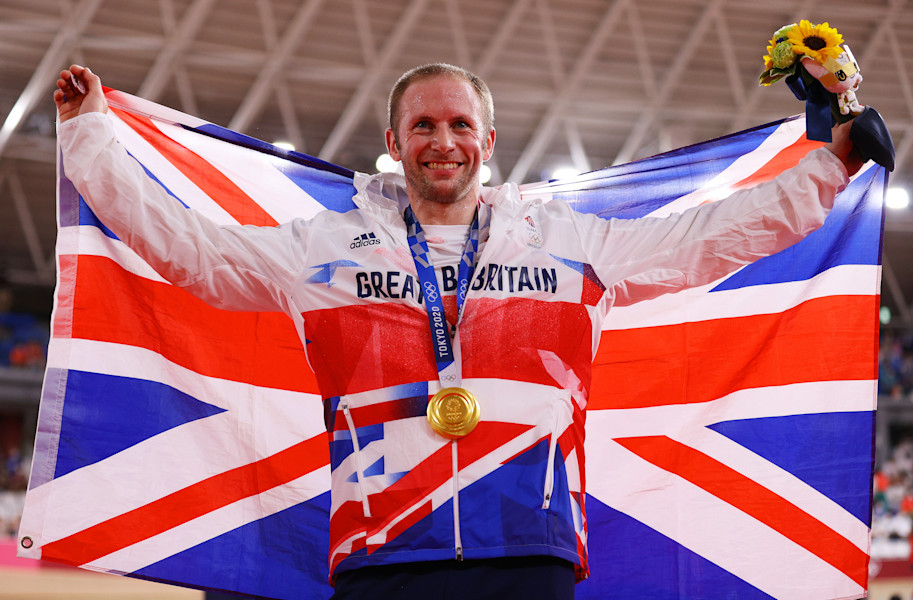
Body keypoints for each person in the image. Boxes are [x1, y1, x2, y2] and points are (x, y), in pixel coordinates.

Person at [54, 62, 861, 600]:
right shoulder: (325, 250)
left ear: (488, 140)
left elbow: (709, 237)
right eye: (424, 127)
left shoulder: (570, 243)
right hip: (382, 557)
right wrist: (90, 134)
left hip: (529, 553)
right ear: (394, 142)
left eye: (458, 125)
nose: (443, 142)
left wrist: (828, 164)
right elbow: (192, 251)